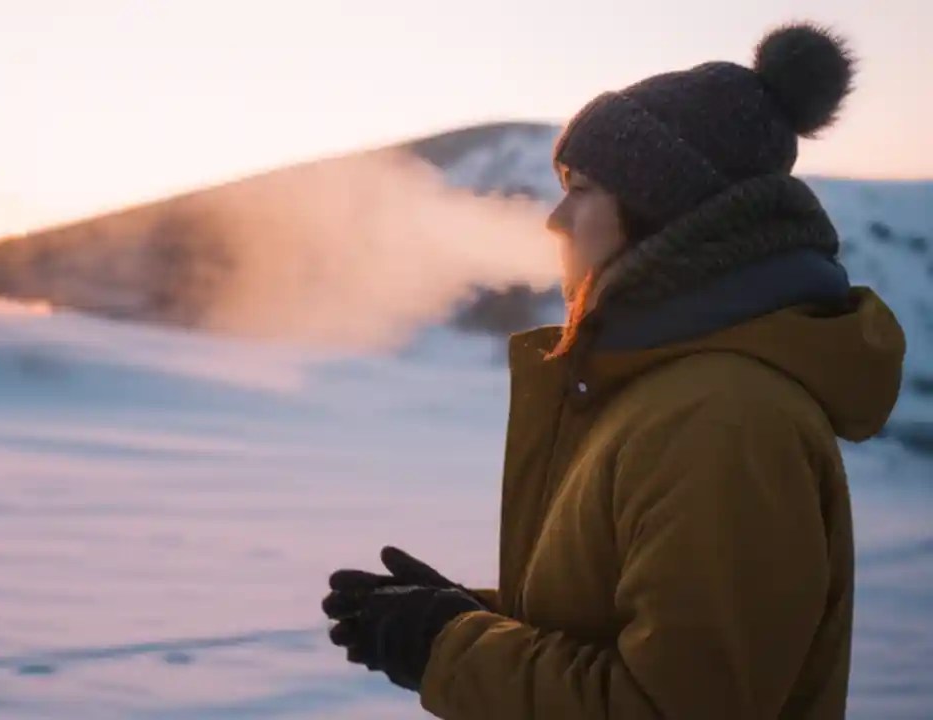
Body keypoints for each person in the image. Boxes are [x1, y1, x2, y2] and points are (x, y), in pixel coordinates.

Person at [321, 22, 906, 719]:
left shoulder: (723, 421)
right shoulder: (662, 392)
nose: (556, 219)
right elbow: (629, 630)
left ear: (664, 207)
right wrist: (463, 620)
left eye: (584, 188)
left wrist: (449, 651)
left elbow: (669, 708)